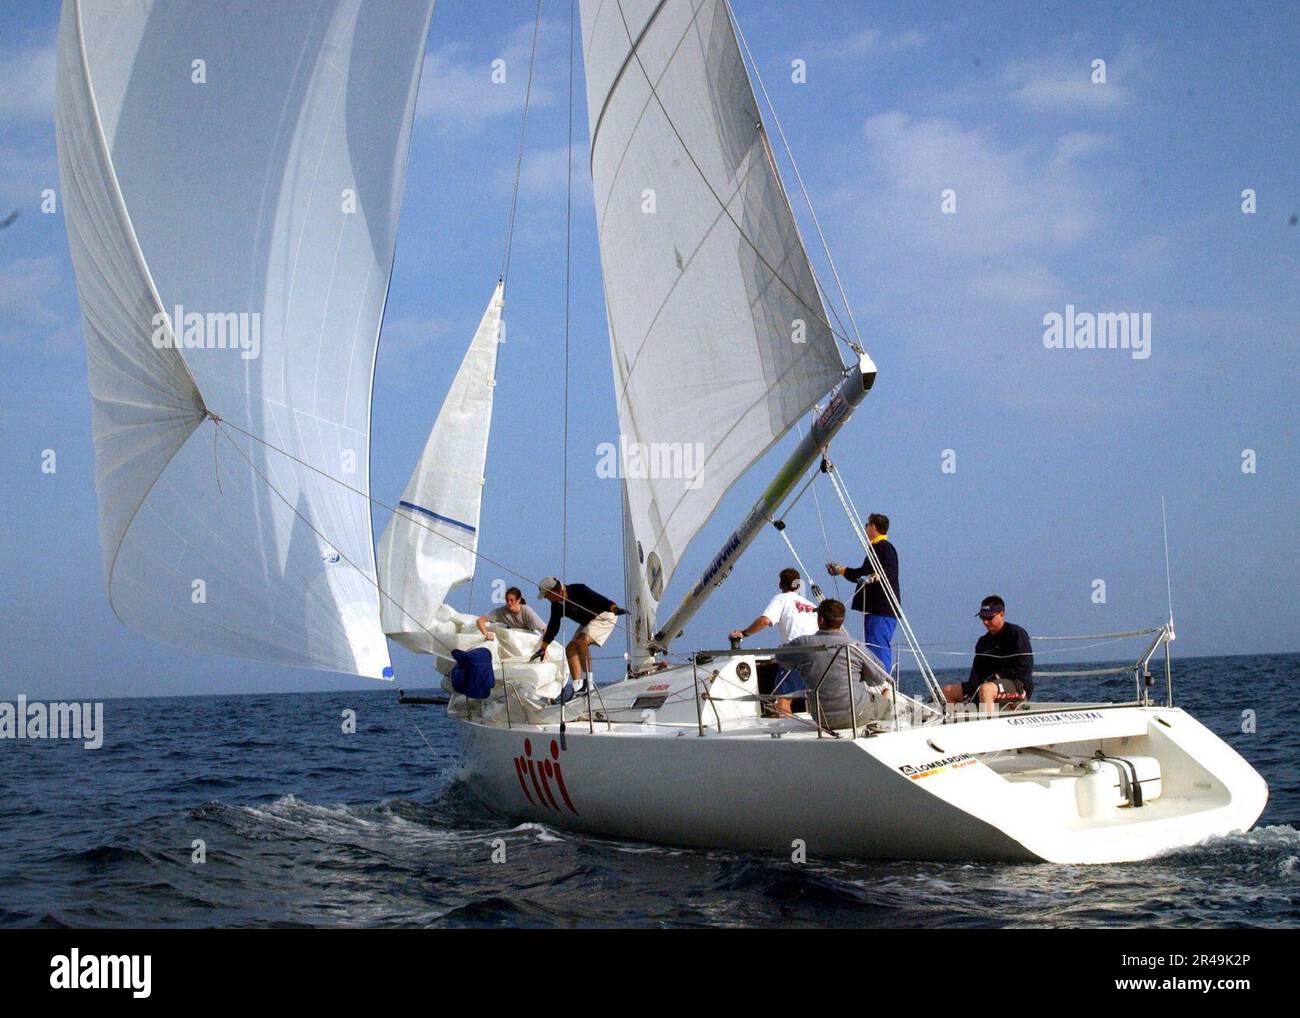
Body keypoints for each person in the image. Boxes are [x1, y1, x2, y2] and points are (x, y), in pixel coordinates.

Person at [783, 599, 892, 731]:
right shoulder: (854, 646)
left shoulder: (803, 644)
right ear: (842, 621)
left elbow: (781, 658)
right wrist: (860, 675)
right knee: (885, 704)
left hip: (822, 719)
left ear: (821, 620)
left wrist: (803, 664)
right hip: (857, 714)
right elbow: (879, 678)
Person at [729, 568, 818, 715]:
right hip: (817, 653)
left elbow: (766, 620)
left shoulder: (781, 599)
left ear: (781, 584)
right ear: (798, 585)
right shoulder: (811, 605)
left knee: (782, 701)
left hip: (796, 653)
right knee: (814, 695)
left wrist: (743, 633)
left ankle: (788, 734)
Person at [826, 513, 900, 674]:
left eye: (867, 525)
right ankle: (878, 677)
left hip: (882, 608)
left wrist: (876, 576)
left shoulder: (885, 547)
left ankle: (883, 681)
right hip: (875, 609)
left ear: (873, 526)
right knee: (872, 644)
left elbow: (890, 569)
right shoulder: (875, 548)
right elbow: (861, 573)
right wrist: (840, 570)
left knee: (877, 644)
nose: (865, 528)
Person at [534, 577, 624, 696]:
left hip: (605, 615)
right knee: (570, 649)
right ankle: (578, 687)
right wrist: (543, 648)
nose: (546, 598)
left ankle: (589, 684)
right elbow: (553, 627)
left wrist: (613, 607)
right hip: (589, 621)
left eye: (546, 595)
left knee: (581, 641)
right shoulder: (556, 605)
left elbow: (599, 599)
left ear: (555, 592)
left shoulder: (578, 589)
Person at [942, 595, 1034, 711]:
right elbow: (976, 671)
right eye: (982, 618)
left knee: (986, 690)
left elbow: (1024, 665)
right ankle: (957, 723)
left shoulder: (1016, 634)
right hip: (986, 683)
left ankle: (988, 725)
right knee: (947, 691)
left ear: (1002, 615)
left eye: (989, 618)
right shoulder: (983, 641)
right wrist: (972, 687)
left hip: (1017, 684)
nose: (985, 622)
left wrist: (998, 676)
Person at [475, 586, 545, 640]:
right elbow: (480, 620)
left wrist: (544, 647)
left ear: (518, 600)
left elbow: (545, 628)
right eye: (507, 600)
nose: (509, 603)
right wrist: (486, 634)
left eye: (512, 600)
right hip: (514, 639)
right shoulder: (502, 612)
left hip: (528, 639)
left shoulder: (526, 611)